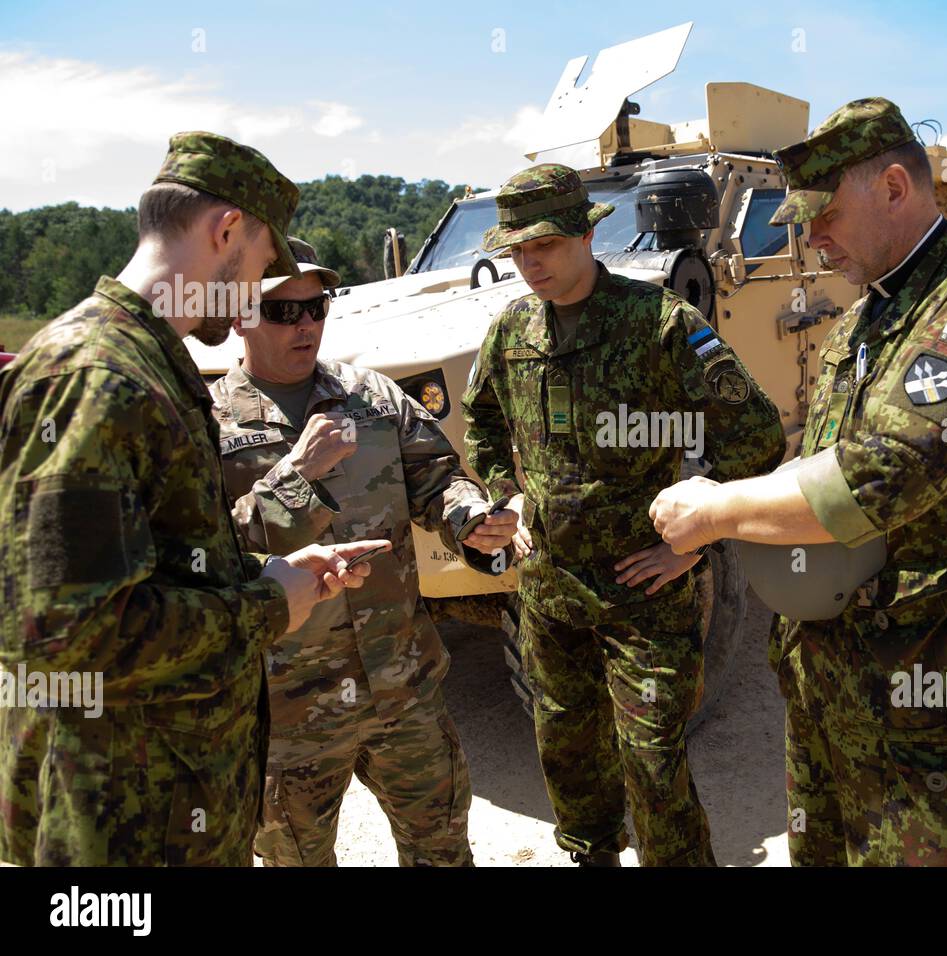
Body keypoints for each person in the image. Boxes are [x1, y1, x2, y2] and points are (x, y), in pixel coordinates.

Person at [650, 98, 947, 866]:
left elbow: (886, 473)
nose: (810, 239)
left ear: (892, 187)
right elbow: (812, 465)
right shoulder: (861, 320)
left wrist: (717, 512)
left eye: (823, 216)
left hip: (930, 691)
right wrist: (732, 527)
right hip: (830, 685)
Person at [0, 131, 387, 867]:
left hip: (168, 810)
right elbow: (69, 640)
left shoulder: (145, 362)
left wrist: (262, 573)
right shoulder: (98, 374)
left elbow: (156, 565)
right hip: (118, 834)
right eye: (264, 266)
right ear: (227, 230)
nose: (259, 293)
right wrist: (268, 605)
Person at [462, 164, 784, 866]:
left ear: (585, 232)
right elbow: (481, 421)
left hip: (646, 590)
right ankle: (593, 855)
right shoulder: (512, 327)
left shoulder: (659, 322)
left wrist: (695, 542)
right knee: (567, 749)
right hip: (549, 589)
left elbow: (755, 434)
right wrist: (505, 494)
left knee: (651, 761)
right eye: (516, 251)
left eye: (543, 245)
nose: (529, 264)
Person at [211, 237, 517, 866]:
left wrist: (470, 520)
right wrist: (298, 476)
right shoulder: (207, 426)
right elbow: (206, 558)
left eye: (315, 307)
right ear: (241, 316)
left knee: (442, 852)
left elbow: (436, 476)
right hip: (289, 713)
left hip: (403, 688)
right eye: (282, 311)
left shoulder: (371, 397)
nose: (306, 326)